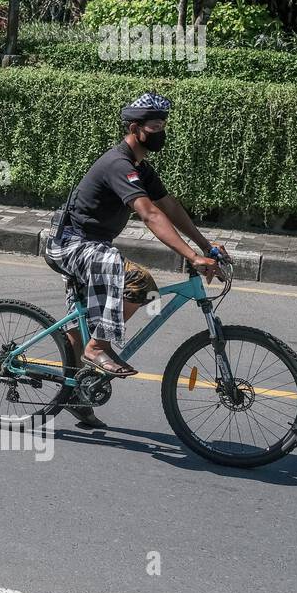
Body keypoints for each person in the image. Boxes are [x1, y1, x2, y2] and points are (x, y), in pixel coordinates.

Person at [46, 91, 226, 428]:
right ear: (135, 128)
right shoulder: (119, 164)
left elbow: (168, 206)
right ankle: (97, 347)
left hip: (90, 245)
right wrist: (190, 256)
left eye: (164, 124)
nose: (161, 130)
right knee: (138, 280)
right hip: (72, 244)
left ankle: (74, 392)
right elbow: (149, 214)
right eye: (155, 125)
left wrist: (205, 246)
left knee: (83, 321)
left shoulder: (142, 166)